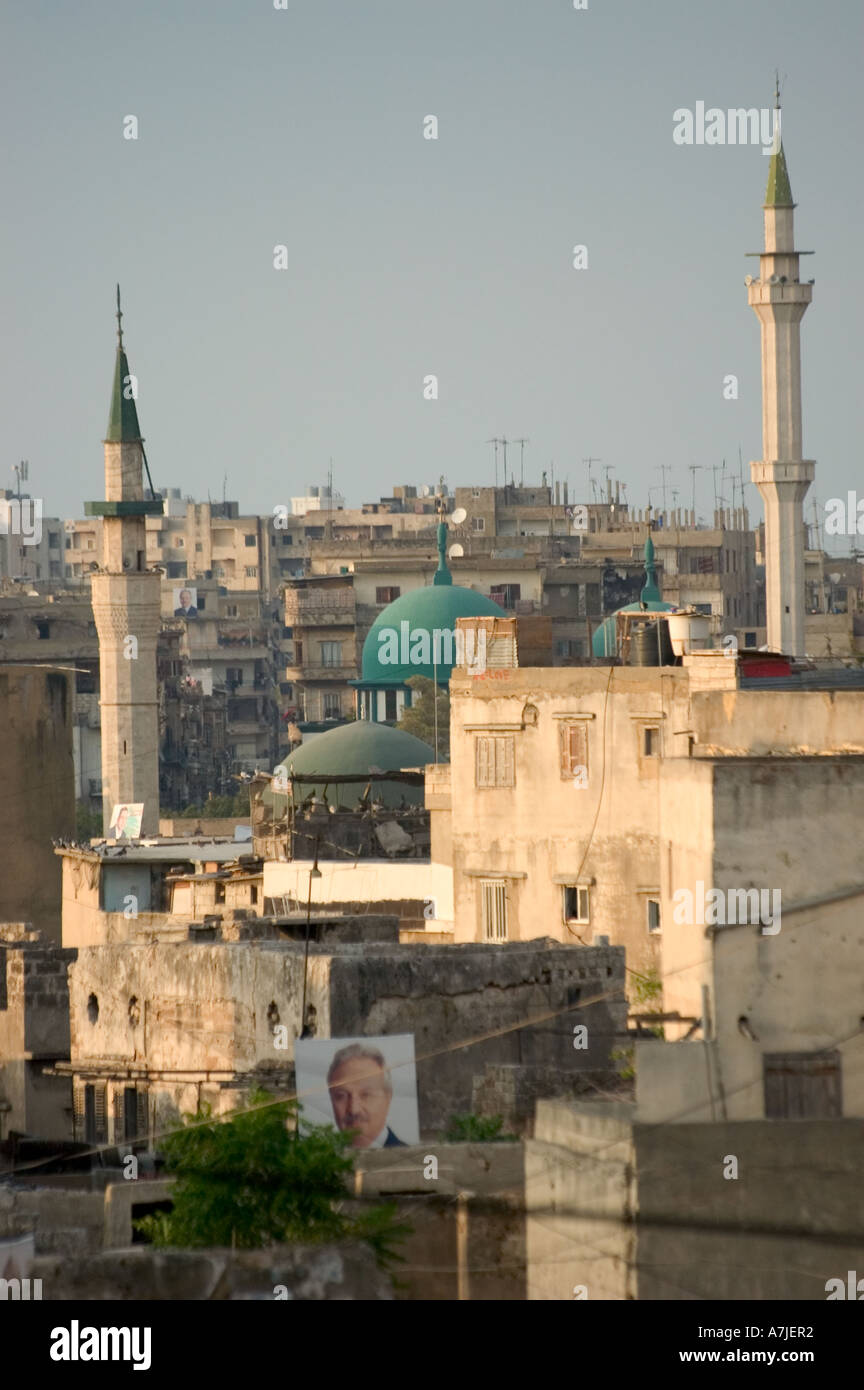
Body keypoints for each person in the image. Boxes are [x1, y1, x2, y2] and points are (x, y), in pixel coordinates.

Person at [326, 1043, 406, 1148]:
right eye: (341, 1096)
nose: (354, 1110)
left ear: (388, 1098)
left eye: (366, 1095)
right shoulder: (320, 1162)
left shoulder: (412, 1161)